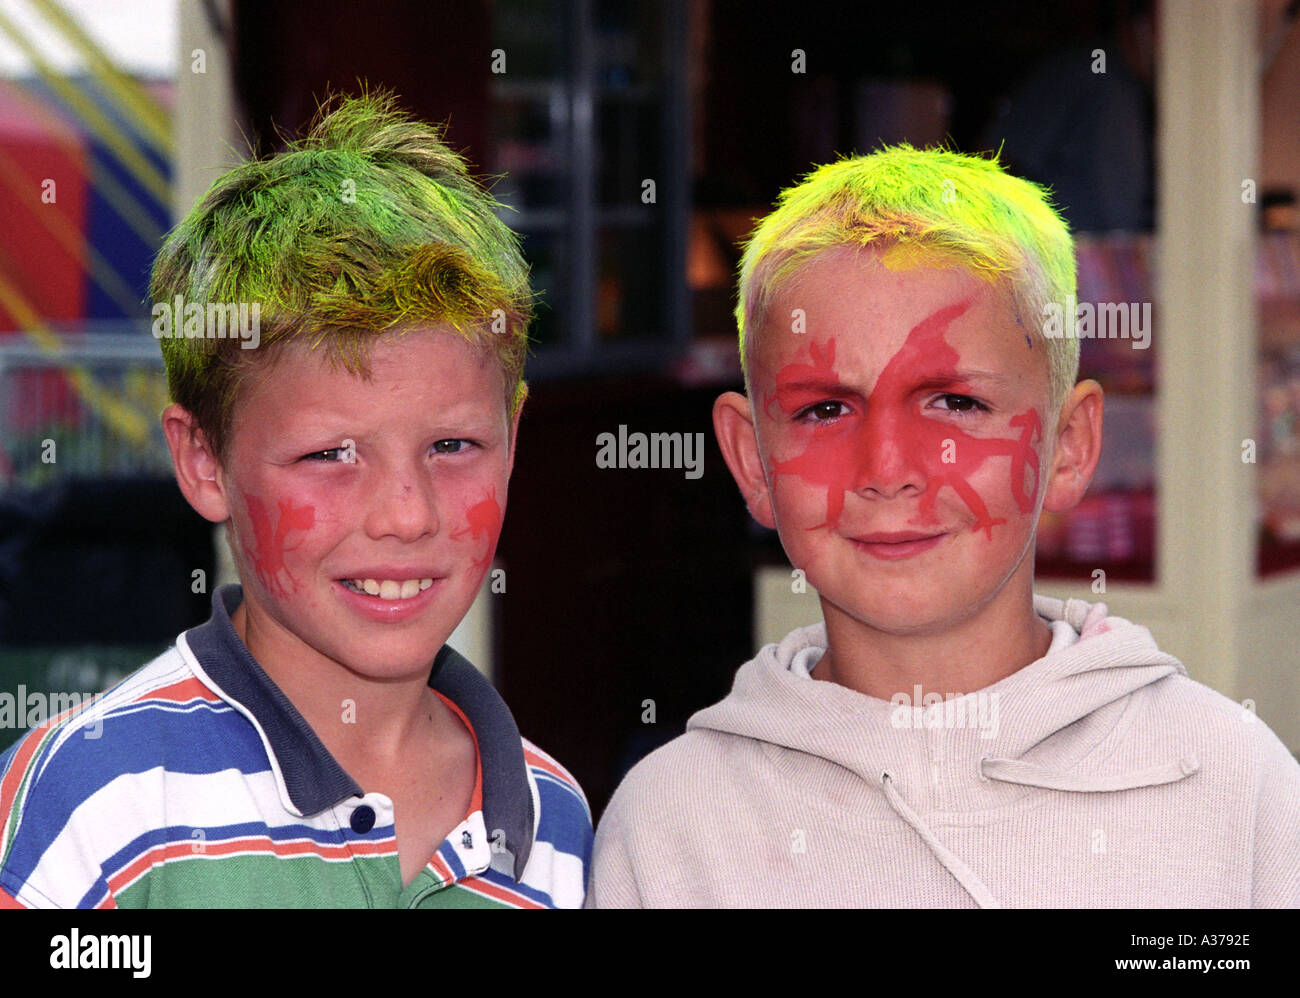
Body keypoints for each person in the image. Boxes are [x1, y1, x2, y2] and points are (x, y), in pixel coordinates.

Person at [588, 145, 1300, 907]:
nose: (888, 467)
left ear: (1069, 446)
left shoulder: (1231, 784)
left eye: (956, 402)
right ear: (752, 461)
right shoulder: (671, 828)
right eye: (824, 409)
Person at [0, 91, 591, 909]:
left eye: (452, 446)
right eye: (329, 454)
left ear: (513, 438)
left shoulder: (555, 829)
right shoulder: (94, 806)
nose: (406, 514)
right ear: (204, 462)